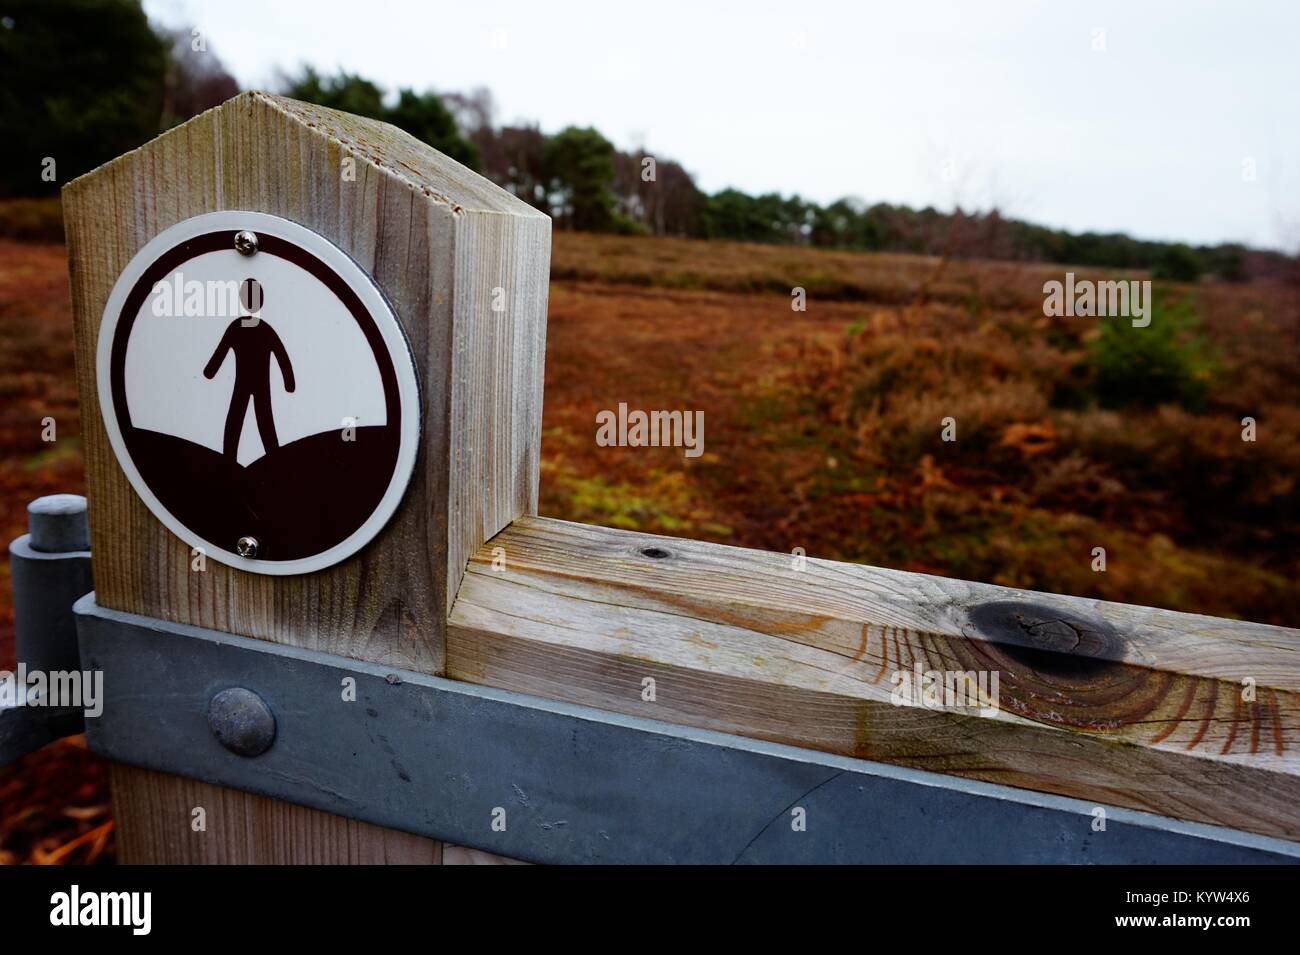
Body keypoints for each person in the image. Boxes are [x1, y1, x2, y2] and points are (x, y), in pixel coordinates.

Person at [203, 278, 295, 460]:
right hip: (253, 384)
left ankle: (235, 459)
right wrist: (288, 383)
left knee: (251, 421)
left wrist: (210, 371)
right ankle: (253, 459)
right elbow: (282, 357)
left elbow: (219, 355)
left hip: (248, 384)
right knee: (256, 421)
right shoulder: (262, 329)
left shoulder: (239, 328)